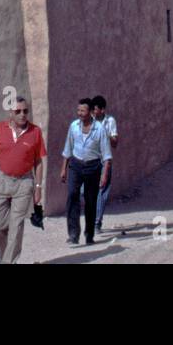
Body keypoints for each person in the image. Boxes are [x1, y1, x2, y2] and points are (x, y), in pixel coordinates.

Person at [0, 96, 46, 264]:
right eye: (18, 111)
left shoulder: (35, 132)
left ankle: (8, 262)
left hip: (24, 182)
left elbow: (39, 162)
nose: (22, 114)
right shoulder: (0, 129)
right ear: (11, 113)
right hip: (2, 180)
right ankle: (3, 256)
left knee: (16, 226)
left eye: (25, 111)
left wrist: (38, 187)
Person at [59, 97, 111, 246]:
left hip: (93, 168)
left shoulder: (100, 129)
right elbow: (68, 149)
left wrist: (104, 175)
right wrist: (64, 169)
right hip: (75, 165)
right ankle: (73, 234)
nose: (80, 113)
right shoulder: (74, 126)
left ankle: (89, 235)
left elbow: (107, 156)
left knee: (90, 201)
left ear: (90, 112)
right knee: (72, 196)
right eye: (78, 110)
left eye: (83, 110)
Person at [91, 95, 118, 231]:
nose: (93, 112)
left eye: (95, 109)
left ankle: (97, 222)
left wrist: (105, 135)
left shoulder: (110, 121)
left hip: (104, 160)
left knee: (102, 190)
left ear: (102, 110)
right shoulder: (90, 122)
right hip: (90, 160)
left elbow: (115, 143)